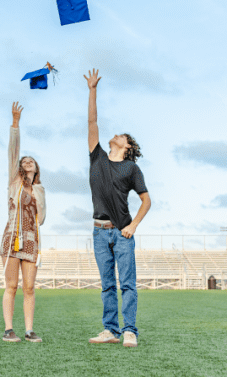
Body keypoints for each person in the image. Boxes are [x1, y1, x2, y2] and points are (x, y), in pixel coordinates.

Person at [84, 69, 150, 347]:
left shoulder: (131, 167)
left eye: (121, 135)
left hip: (122, 232)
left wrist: (133, 225)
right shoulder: (97, 157)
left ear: (127, 145)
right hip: (99, 233)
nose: (116, 135)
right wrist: (92, 90)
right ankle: (110, 331)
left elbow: (146, 200)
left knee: (128, 284)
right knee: (108, 285)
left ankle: (130, 331)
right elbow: (92, 121)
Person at [1, 101, 46, 343]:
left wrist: (35, 192)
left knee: (29, 287)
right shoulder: (14, 181)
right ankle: (9, 329)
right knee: (12, 285)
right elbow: (13, 152)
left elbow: (43, 217)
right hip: (11, 237)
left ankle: (29, 330)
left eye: (32, 161)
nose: (27, 162)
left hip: (31, 239)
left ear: (36, 168)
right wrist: (15, 124)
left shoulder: (39, 188)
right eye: (24, 161)